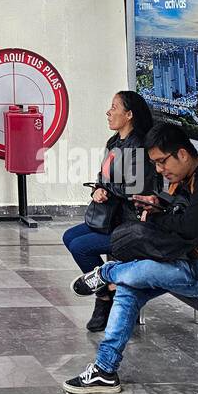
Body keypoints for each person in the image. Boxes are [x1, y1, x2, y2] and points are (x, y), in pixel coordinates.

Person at [64, 122, 198, 394]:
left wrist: (157, 218)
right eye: (156, 164)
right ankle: (104, 370)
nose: (160, 170)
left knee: (139, 272)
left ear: (182, 154)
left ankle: (106, 273)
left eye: (163, 162)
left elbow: (188, 226)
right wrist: (158, 205)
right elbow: (179, 217)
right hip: (189, 263)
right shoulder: (183, 177)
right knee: (129, 286)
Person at [60, 91, 158, 332]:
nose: (108, 112)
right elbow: (103, 178)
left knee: (81, 247)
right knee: (70, 237)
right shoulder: (114, 143)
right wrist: (97, 190)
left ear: (129, 114)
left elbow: (136, 191)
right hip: (109, 216)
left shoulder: (138, 147)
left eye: (114, 107)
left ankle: (105, 296)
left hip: (129, 223)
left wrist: (107, 190)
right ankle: (107, 292)